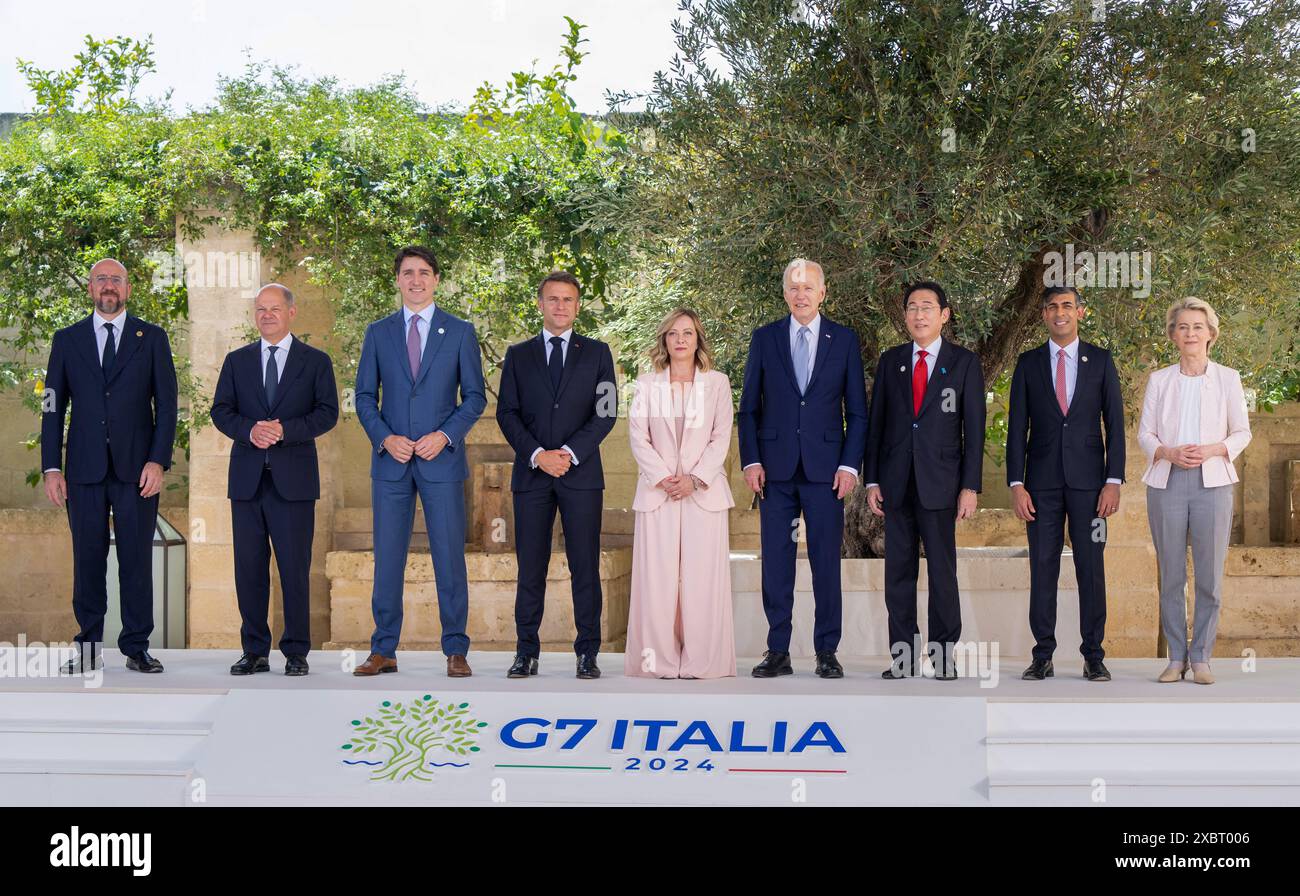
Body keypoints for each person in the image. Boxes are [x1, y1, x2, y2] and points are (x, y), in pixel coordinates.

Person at [353, 246, 487, 677]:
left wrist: (444, 435)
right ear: (398, 280)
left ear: (436, 280)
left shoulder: (461, 332)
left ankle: (456, 649)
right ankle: (383, 649)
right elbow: (362, 397)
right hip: (391, 463)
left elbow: (475, 398)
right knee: (388, 557)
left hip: (441, 461)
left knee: (449, 556)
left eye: (424, 273)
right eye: (408, 273)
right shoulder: (378, 333)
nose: (416, 280)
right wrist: (385, 438)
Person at [41, 258, 178, 674]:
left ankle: (137, 647)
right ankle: (87, 647)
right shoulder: (67, 340)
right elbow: (52, 406)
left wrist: (158, 460)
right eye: (101, 279)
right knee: (88, 558)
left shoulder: (151, 338)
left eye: (116, 280)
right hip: (82, 471)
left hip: (138, 471)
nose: (108, 286)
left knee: (137, 559)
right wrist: (51, 467)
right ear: (90, 288)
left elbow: (168, 406)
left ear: (128, 289)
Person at [738, 259, 868, 679]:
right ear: (784, 294)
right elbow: (749, 409)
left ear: (823, 292)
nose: (800, 294)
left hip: (827, 473)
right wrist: (751, 459)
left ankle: (827, 650)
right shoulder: (764, 339)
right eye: (793, 287)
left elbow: (858, 414)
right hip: (774, 472)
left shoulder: (844, 340)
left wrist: (850, 465)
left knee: (826, 563)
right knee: (776, 563)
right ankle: (778, 649)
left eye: (808, 287)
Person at [210, 284, 339, 676]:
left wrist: (284, 430)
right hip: (247, 481)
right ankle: (254, 650)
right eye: (261, 309)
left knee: (294, 568)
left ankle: (297, 651)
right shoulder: (237, 361)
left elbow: (327, 413)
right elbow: (220, 411)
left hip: (294, 482)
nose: (267, 315)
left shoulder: (315, 362)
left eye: (275, 309)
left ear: (291, 313)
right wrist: (250, 430)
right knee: (248, 568)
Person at [496, 271, 617, 680]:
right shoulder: (518, 355)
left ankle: (587, 653)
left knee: (585, 565)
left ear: (577, 305)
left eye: (568, 299)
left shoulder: (599, 353)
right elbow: (506, 413)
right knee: (531, 566)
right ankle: (525, 652)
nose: (560, 306)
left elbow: (606, 413)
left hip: (581, 476)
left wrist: (566, 454)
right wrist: (536, 454)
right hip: (531, 476)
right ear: (540, 304)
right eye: (553, 299)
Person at [864, 281, 984, 680]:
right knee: (898, 574)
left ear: (944, 315)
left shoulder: (963, 362)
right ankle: (904, 658)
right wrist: (872, 481)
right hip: (897, 485)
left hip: (943, 485)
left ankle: (944, 655)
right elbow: (877, 426)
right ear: (905, 316)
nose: (919, 314)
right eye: (912, 307)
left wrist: (970, 487)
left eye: (928, 307)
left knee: (942, 574)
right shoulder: (891, 361)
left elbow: (974, 430)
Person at [1006, 286, 1124, 683]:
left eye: (1067, 306)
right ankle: (1042, 655)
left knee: (1091, 568)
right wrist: (1016, 484)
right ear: (1043, 315)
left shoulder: (1101, 361)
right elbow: (1016, 428)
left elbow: (1116, 426)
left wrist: (1113, 481)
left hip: (1091, 488)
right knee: (1043, 568)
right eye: (1053, 307)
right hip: (1039, 487)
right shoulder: (1027, 364)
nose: (1060, 312)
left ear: (1080, 312)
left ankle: (1093, 655)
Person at [1138, 297, 1251, 685]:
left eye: (1197, 327)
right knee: (1170, 575)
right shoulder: (1159, 380)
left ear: (1211, 334)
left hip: (1214, 484)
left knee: (1209, 577)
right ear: (1173, 335)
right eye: (1183, 327)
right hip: (1166, 483)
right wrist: (1166, 451)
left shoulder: (1228, 379)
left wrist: (1213, 449)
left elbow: (1241, 432)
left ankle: (1201, 657)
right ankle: (1176, 658)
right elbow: (1145, 433)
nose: (1190, 333)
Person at [626, 308, 737, 679]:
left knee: (702, 579)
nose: (680, 340)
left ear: (698, 339)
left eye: (688, 333)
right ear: (664, 339)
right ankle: (656, 662)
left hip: (703, 494)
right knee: (656, 581)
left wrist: (695, 478)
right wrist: (663, 477)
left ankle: (702, 661)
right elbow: (638, 436)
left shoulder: (718, 384)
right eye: (673, 333)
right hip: (658, 494)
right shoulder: (646, 384)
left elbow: (722, 435)